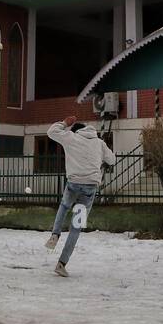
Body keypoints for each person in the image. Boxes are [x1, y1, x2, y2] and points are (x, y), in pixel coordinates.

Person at [44, 116, 115, 277]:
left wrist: (64, 123)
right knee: (76, 227)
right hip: (90, 187)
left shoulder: (71, 137)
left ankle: (55, 234)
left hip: (73, 183)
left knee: (64, 206)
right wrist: (101, 157)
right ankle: (61, 264)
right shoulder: (99, 142)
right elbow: (112, 160)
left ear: (75, 130)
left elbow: (51, 132)